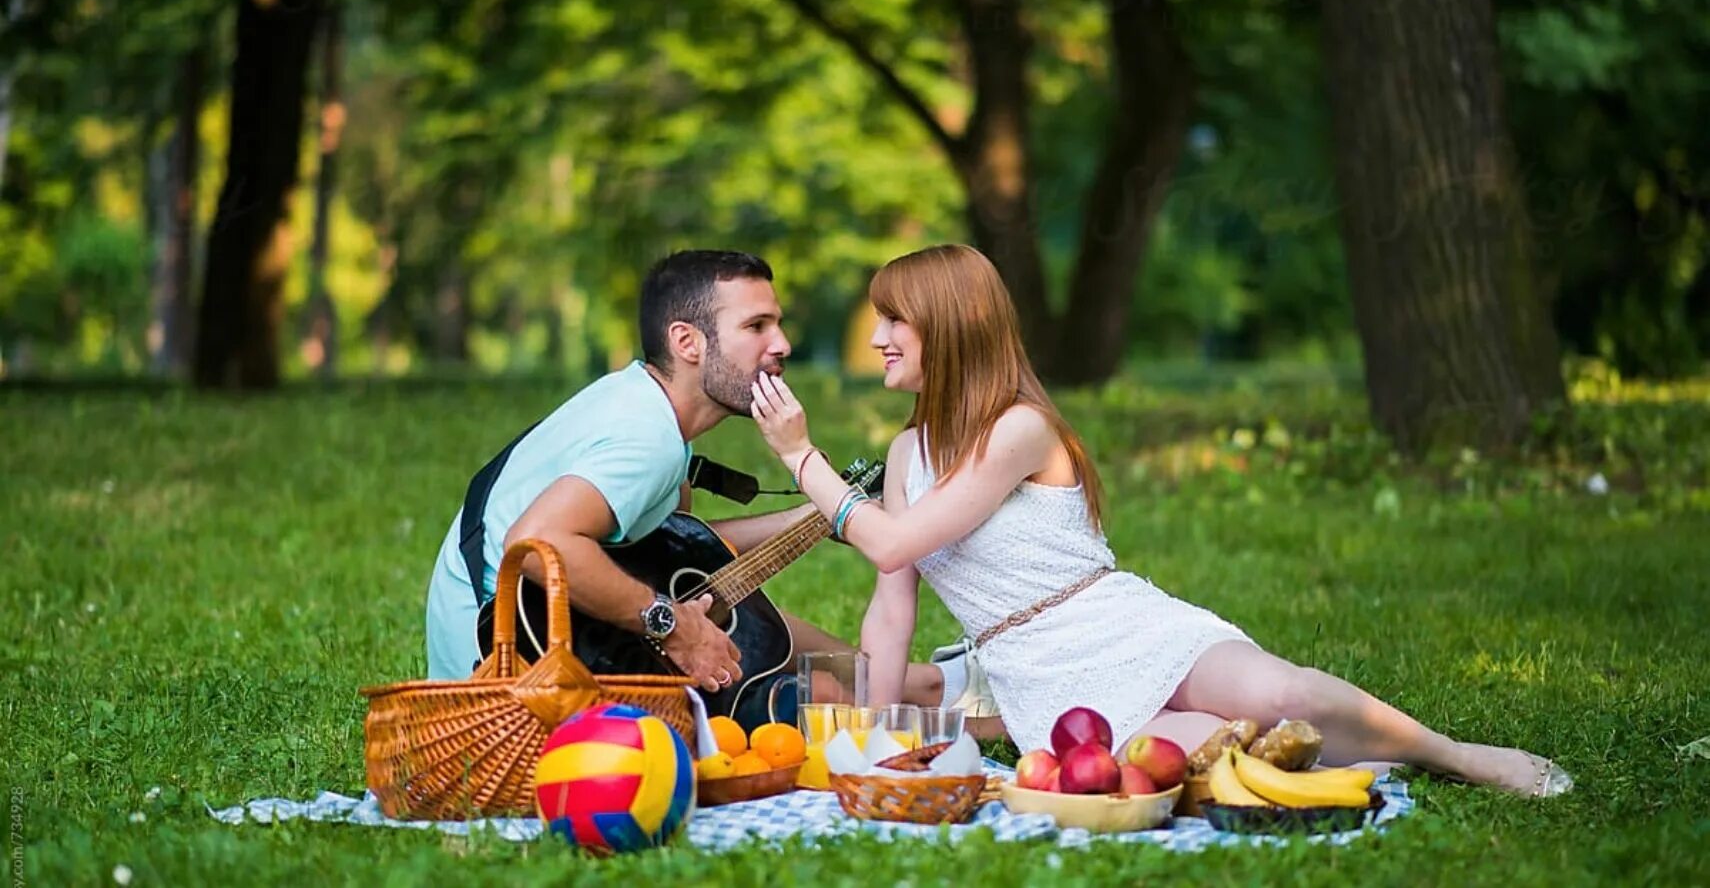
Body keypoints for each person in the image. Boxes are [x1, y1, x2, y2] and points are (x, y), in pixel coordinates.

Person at [748, 244, 1572, 796]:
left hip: (1125, 627)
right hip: (1045, 678)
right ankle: (1347, 760)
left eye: (895, 320)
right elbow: (892, 609)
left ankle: (1453, 756)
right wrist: (884, 747)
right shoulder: (905, 456)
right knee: (1217, 756)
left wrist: (798, 456)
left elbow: (890, 538)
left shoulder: (1019, 428)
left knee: (1283, 694)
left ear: (950, 327)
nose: (881, 338)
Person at [422, 250, 974, 723]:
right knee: (823, 696)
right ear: (688, 342)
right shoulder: (647, 439)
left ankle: (930, 689)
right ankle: (958, 715)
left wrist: (817, 517)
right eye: (756, 327)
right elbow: (538, 544)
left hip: (544, 632)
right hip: (510, 676)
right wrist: (669, 624)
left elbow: (668, 547)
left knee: (781, 635)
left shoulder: (643, 406)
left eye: (777, 323)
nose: (781, 343)